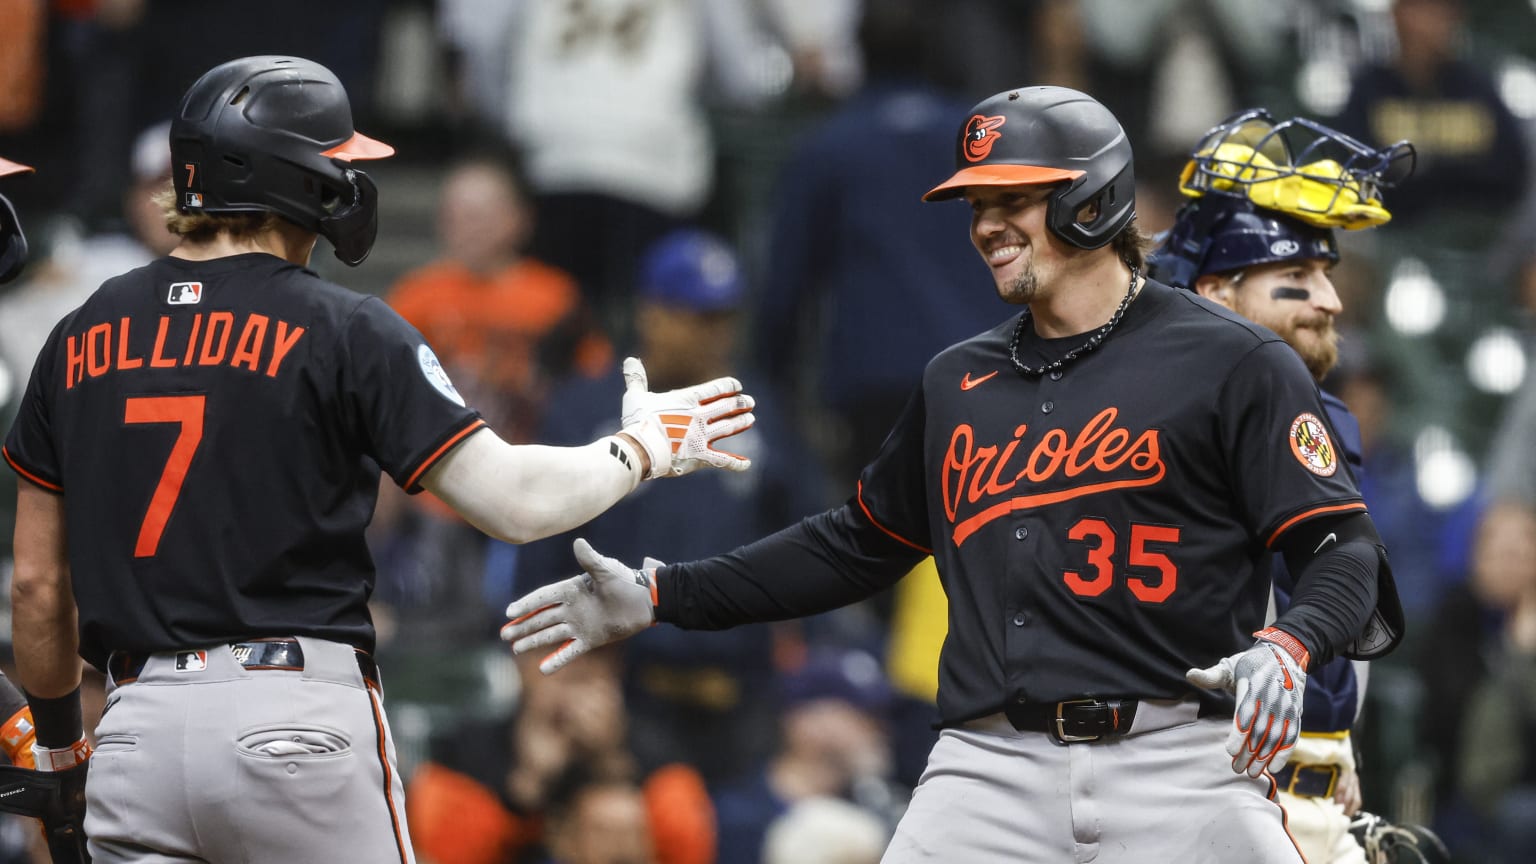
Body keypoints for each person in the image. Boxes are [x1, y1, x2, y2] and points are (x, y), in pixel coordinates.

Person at [503, 84, 1407, 863]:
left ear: (1092, 199)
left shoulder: (1235, 360)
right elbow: (856, 544)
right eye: (976, 204)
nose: (984, 226)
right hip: (990, 767)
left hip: (1180, 758)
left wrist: (1290, 645)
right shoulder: (955, 379)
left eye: (1011, 199)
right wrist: (664, 595)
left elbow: (1345, 550)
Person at [3, 55, 756, 864]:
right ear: (285, 174)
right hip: (289, 718)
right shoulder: (343, 326)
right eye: (335, 161)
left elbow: (40, 588)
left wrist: (56, 752)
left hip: (133, 732)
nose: (346, 180)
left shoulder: (77, 333)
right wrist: (638, 449)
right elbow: (515, 504)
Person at [1147, 108, 1411, 864]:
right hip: (1210, 793)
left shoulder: (1325, 412)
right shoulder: (1164, 417)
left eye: (1326, 274)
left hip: (1313, 788)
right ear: (1216, 292)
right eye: (1296, 278)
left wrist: (1335, 739)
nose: (1329, 301)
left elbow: (1335, 586)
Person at [506, 228, 824, 785]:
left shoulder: (757, 409)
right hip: (623, 686)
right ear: (651, 312)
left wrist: (811, 680)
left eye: (723, 316)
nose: (713, 332)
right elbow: (538, 547)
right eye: (696, 315)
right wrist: (546, 676)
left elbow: (814, 538)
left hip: (741, 688)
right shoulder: (585, 409)